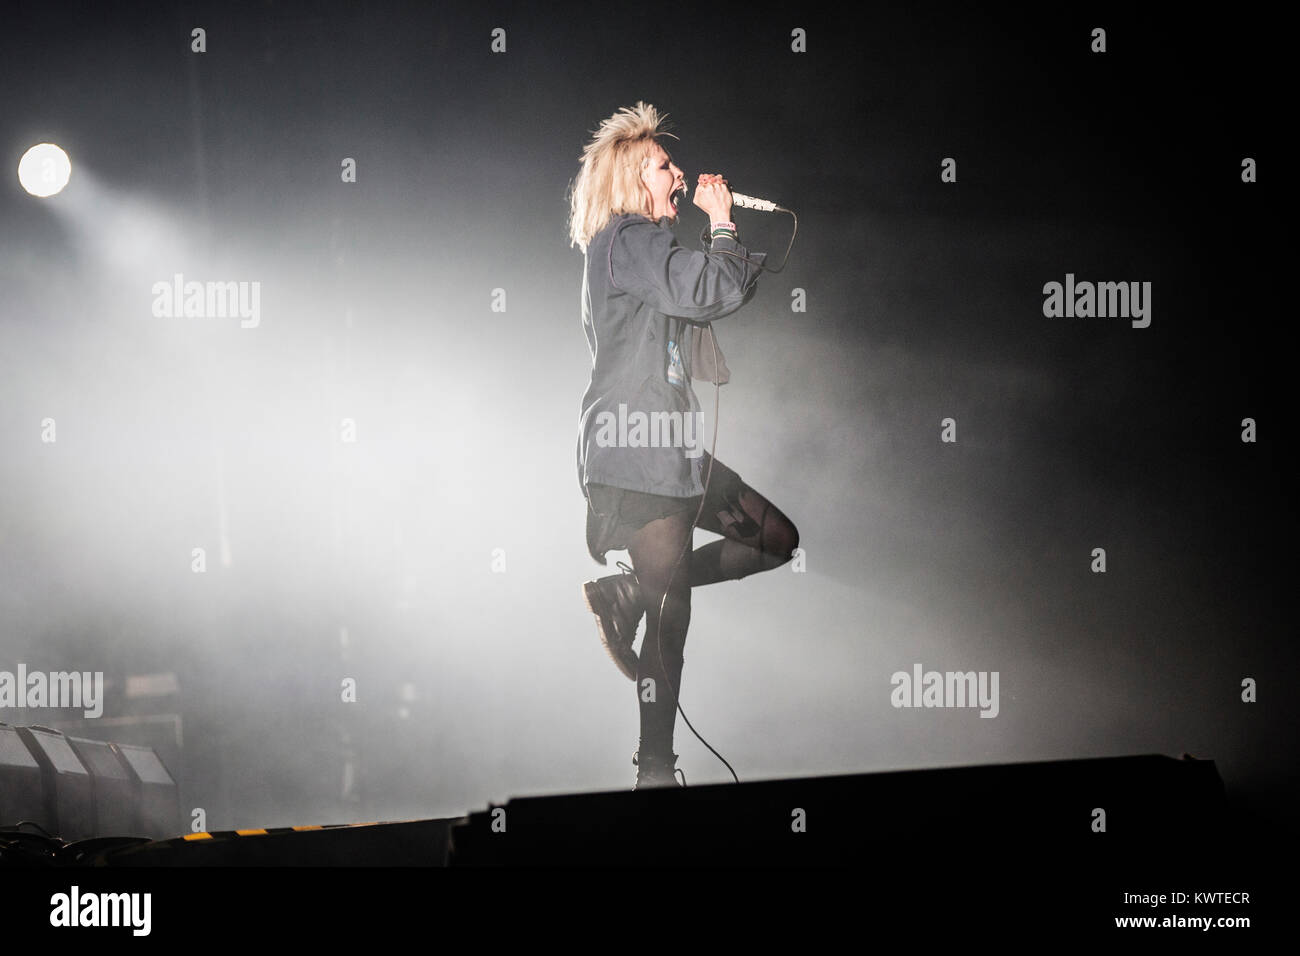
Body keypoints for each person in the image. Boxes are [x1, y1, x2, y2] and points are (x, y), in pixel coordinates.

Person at [567, 102, 799, 789]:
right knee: (673, 622)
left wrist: (715, 241)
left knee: (774, 537)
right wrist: (723, 224)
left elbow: (704, 293)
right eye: (664, 166)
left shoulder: (639, 247)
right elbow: (708, 286)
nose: (680, 174)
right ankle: (657, 773)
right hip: (638, 453)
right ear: (634, 181)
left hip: (668, 450)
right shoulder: (628, 239)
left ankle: (632, 591)